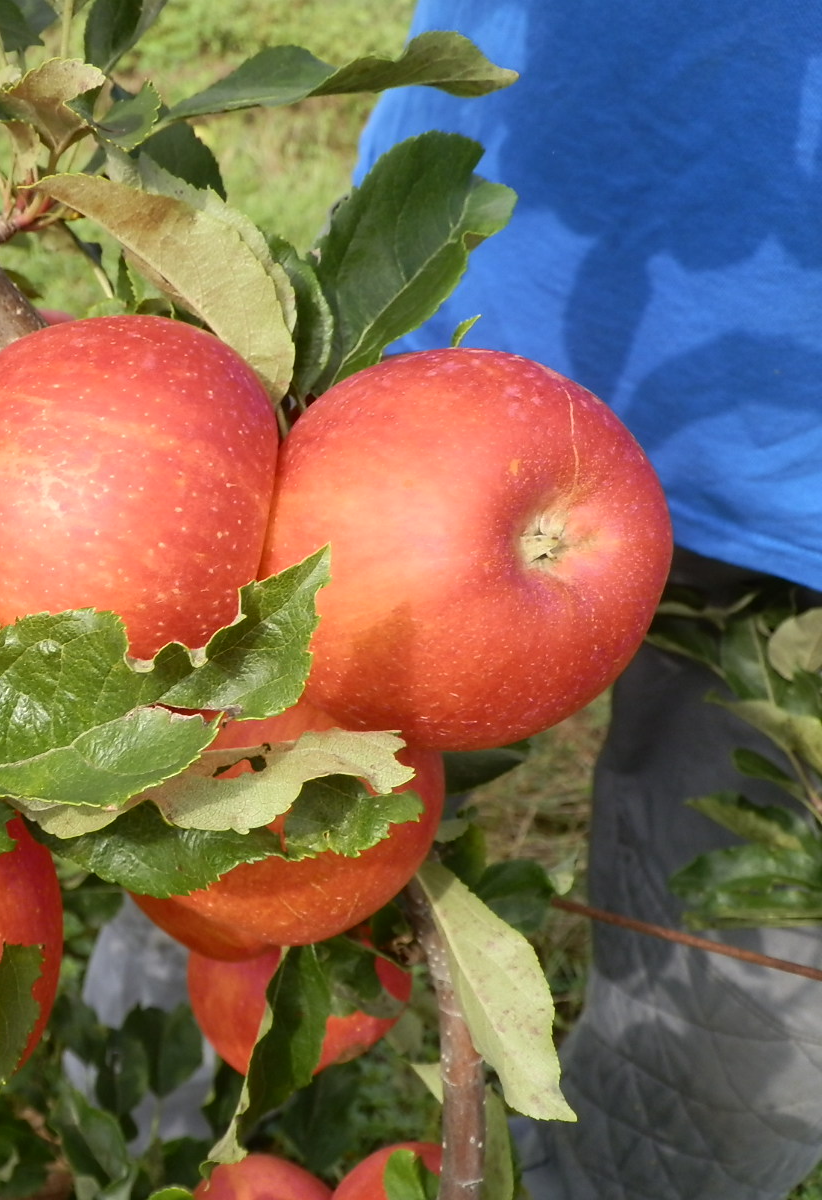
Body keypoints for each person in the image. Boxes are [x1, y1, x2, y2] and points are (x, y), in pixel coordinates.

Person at [354, 5, 822, 1198]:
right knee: (246, 836)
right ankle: (146, 1135)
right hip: (467, 311)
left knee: (735, 1049)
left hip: (796, 468)